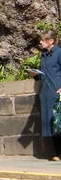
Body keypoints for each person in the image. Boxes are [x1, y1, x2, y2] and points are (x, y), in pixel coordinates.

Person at [35, 30, 61, 159]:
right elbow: (43, 74)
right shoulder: (43, 55)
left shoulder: (59, 53)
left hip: (56, 92)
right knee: (49, 123)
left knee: (57, 122)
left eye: (43, 40)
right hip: (45, 93)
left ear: (51, 41)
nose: (40, 42)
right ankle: (55, 153)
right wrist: (35, 75)